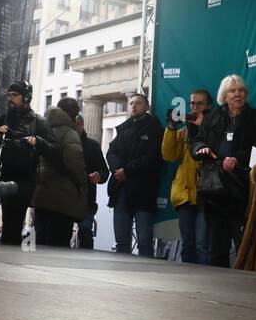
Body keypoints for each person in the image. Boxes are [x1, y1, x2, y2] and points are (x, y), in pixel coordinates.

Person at [191, 75, 256, 268]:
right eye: (232, 91)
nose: (237, 94)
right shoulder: (211, 118)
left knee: (244, 244)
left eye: (241, 90)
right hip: (215, 189)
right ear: (224, 96)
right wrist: (201, 148)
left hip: (244, 188)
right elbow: (197, 140)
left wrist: (238, 159)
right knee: (217, 247)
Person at [0, 80, 52, 244]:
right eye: (9, 95)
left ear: (26, 98)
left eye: (14, 95)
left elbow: (54, 150)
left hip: (23, 180)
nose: (10, 99)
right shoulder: (1, 119)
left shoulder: (39, 122)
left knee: (12, 228)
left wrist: (38, 141)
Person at [105, 92, 163, 256]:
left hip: (143, 190)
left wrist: (127, 170)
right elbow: (111, 153)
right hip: (121, 189)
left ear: (146, 107)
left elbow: (152, 157)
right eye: (131, 103)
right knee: (121, 240)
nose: (133, 106)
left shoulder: (154, 128)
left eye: (138, 103)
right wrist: (118, 170)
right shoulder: (124, 128)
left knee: (144, 241)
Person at [163, 88, 212, 264]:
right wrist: (171, 127)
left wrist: (203, 127)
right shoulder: (184, 130)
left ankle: (205, 280)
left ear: (208, 106)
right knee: (188, 244)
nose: (195, 107)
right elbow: (168, 155)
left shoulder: (215, 126)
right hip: (185, 194)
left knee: (202, 245)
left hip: (207, 192)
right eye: (192, 103)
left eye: (200, 104)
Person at [31, 97, 88, 247]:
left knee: (40, 242)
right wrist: (83, 183)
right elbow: (74, 163)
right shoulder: (69, 133)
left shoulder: (43, 128)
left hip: (41, 194)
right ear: (75, 115)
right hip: (62, 199)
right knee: (57, 246)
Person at [74, 113, 108, 249]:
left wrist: (99, 176)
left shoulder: (92, 146)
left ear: (81, 125)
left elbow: (104, 171)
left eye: (76, 124)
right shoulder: (60, 143)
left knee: (85, 231)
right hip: (65, 196)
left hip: (86, 198)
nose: (73, 127)